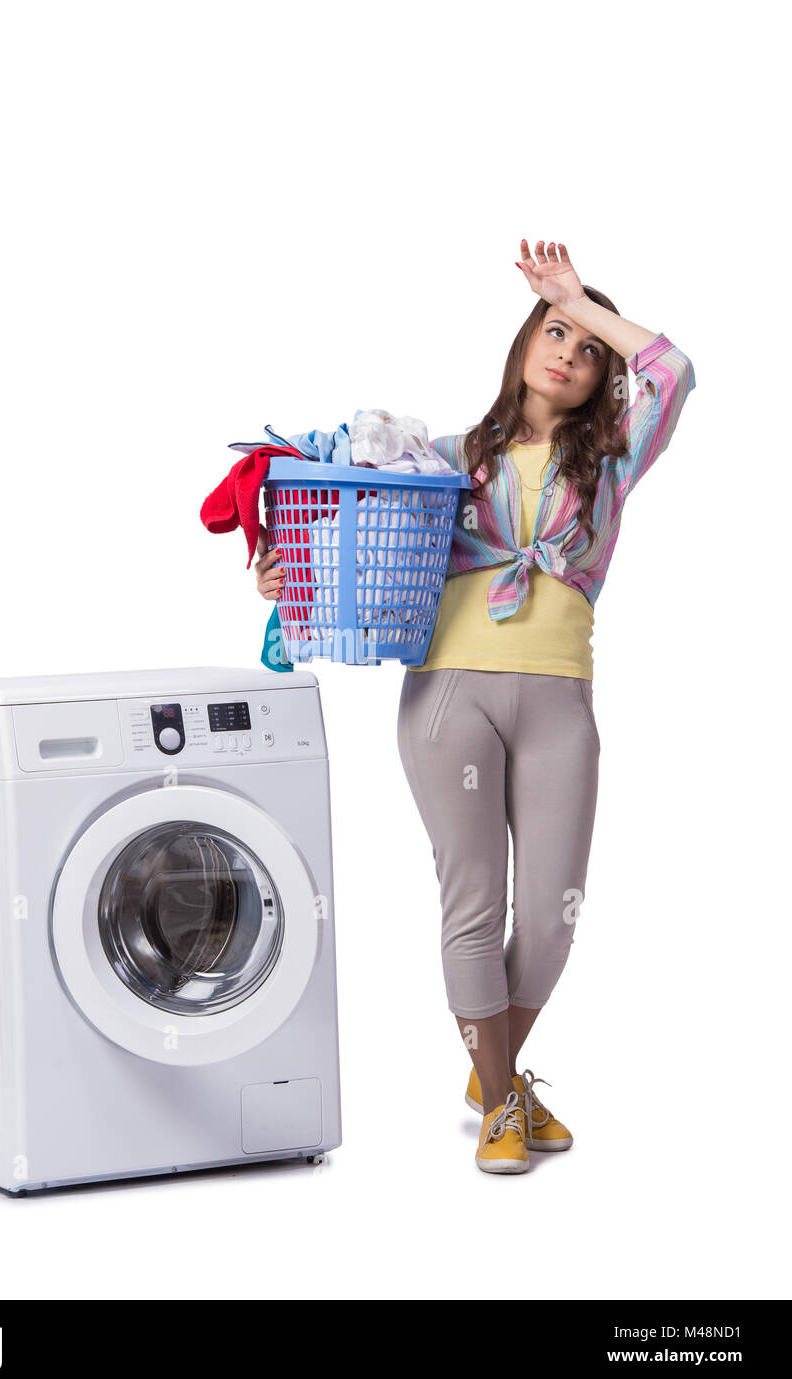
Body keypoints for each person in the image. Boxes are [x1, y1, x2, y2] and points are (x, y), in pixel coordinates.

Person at [254, 239, 696, 1175]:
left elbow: (675, 371)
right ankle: (502, 1100)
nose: (567, 353)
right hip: (449, 695)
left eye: (586, 349)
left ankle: (490, 1073)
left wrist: (576, 294)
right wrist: (285, 572)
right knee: (471, 901)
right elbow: (352, 539)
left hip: (558, 703)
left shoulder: (611, 463)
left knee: (550, 914)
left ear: (600, 379)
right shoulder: (447, 460)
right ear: (522, 343)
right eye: (553, 332)